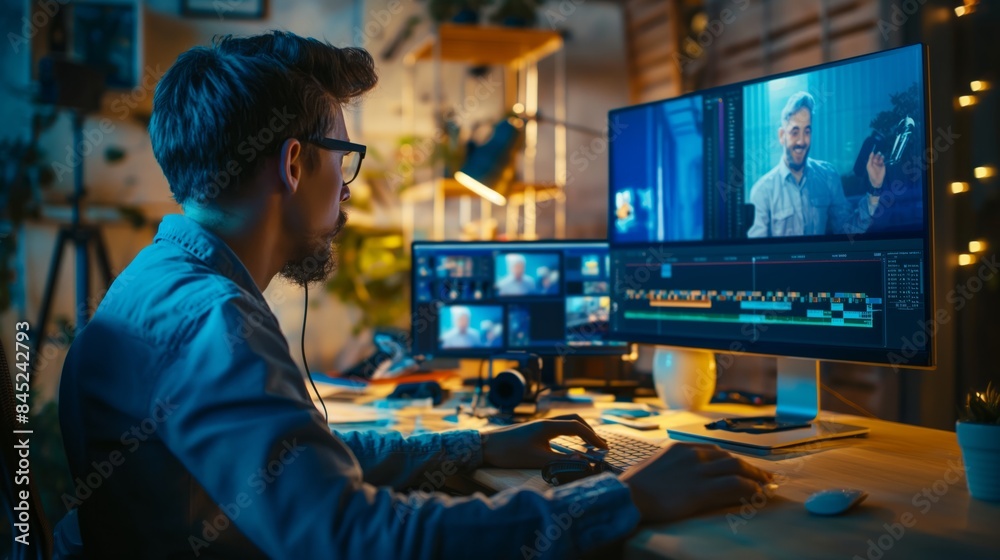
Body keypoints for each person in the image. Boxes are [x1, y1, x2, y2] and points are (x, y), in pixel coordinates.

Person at [56, 31, 771, 559]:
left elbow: (305, 458)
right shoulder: (212, 321)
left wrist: (478, 446)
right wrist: (625, 496)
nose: (347, 187)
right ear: (295, 162)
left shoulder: (155, 284)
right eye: (347, 158)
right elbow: (359, 539)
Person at [747, 91, 886, 238]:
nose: (801, 141)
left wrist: (874, 188)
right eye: (795, 132)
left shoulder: (828, 176)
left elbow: (847, 233)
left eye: (807, 131)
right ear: (782, 136)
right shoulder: (763, 192)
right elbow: (756, 256)